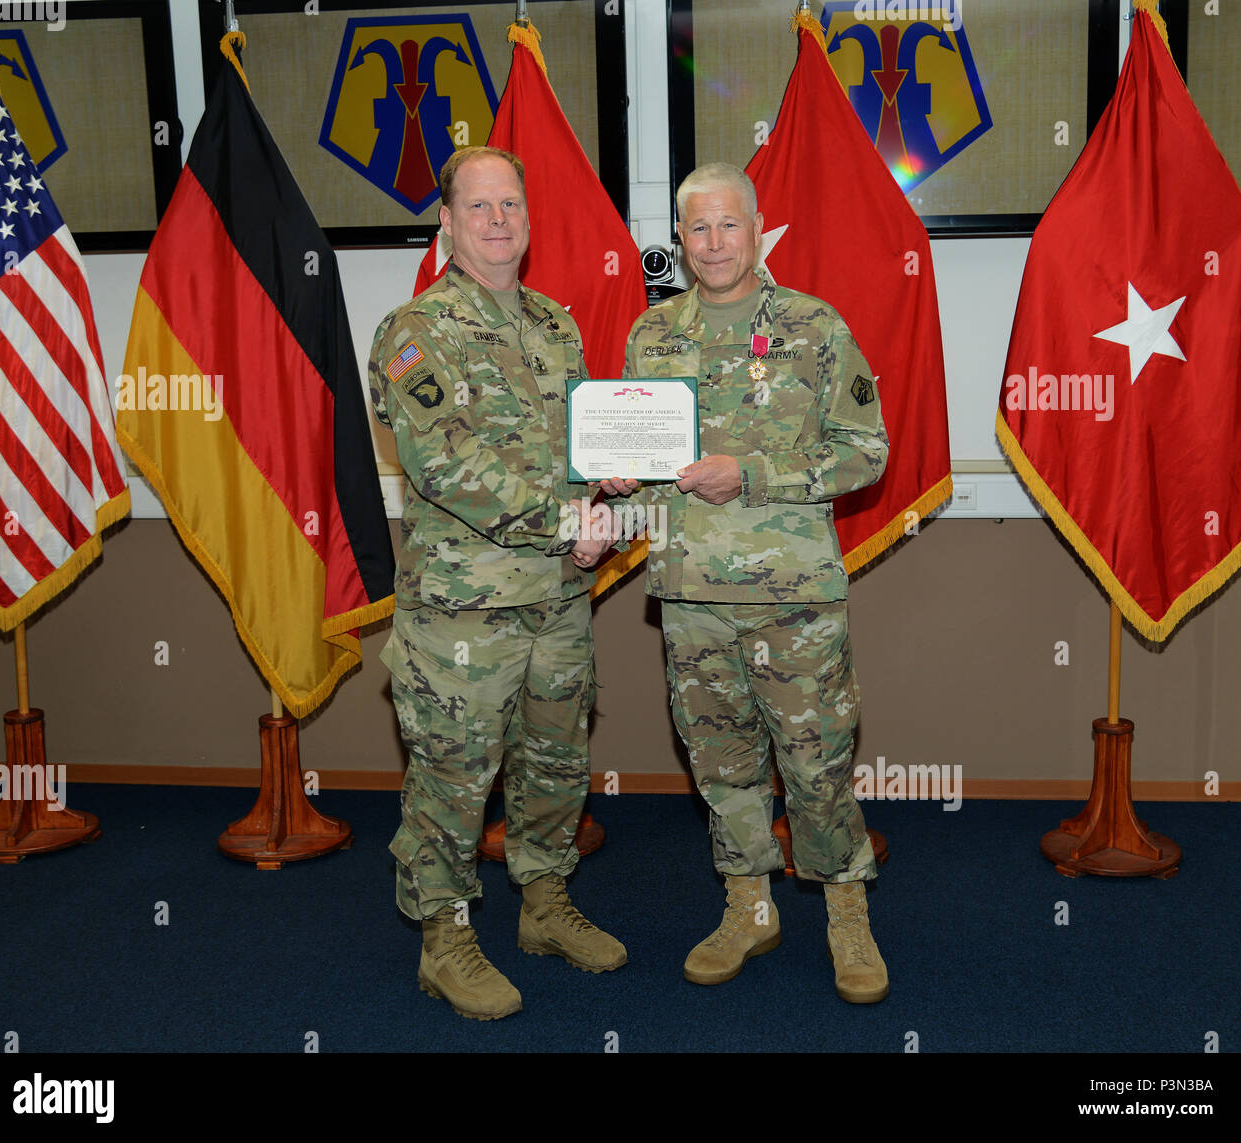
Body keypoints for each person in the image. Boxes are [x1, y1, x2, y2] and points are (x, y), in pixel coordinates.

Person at [604, 162, 890, 1003]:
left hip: (792, 596)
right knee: (721, 766)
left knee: (817, 764)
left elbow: (866, 450)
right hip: (691, 598)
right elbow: (649, 471)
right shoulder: (651, 337)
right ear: (682, 242)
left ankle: (846, 914)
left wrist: (754, 473)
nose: (715, 242)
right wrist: (618, 489)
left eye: (730, 225)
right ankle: (748, 908)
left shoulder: (813, 325)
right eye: (698, 228)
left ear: (757, 229)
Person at [368, 146, 625, 1021]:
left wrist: (604, 498)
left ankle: (544, 907)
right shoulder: (414, 332)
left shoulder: (557, 325)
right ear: (446, 223)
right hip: (462, 612)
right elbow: (446, 465)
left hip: (558, 599)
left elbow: (583, 449)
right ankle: (444, 939)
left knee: (555, 766)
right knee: (452, 778)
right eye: (478, 206)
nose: (498, 219)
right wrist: (566, 519)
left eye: (511, 203)